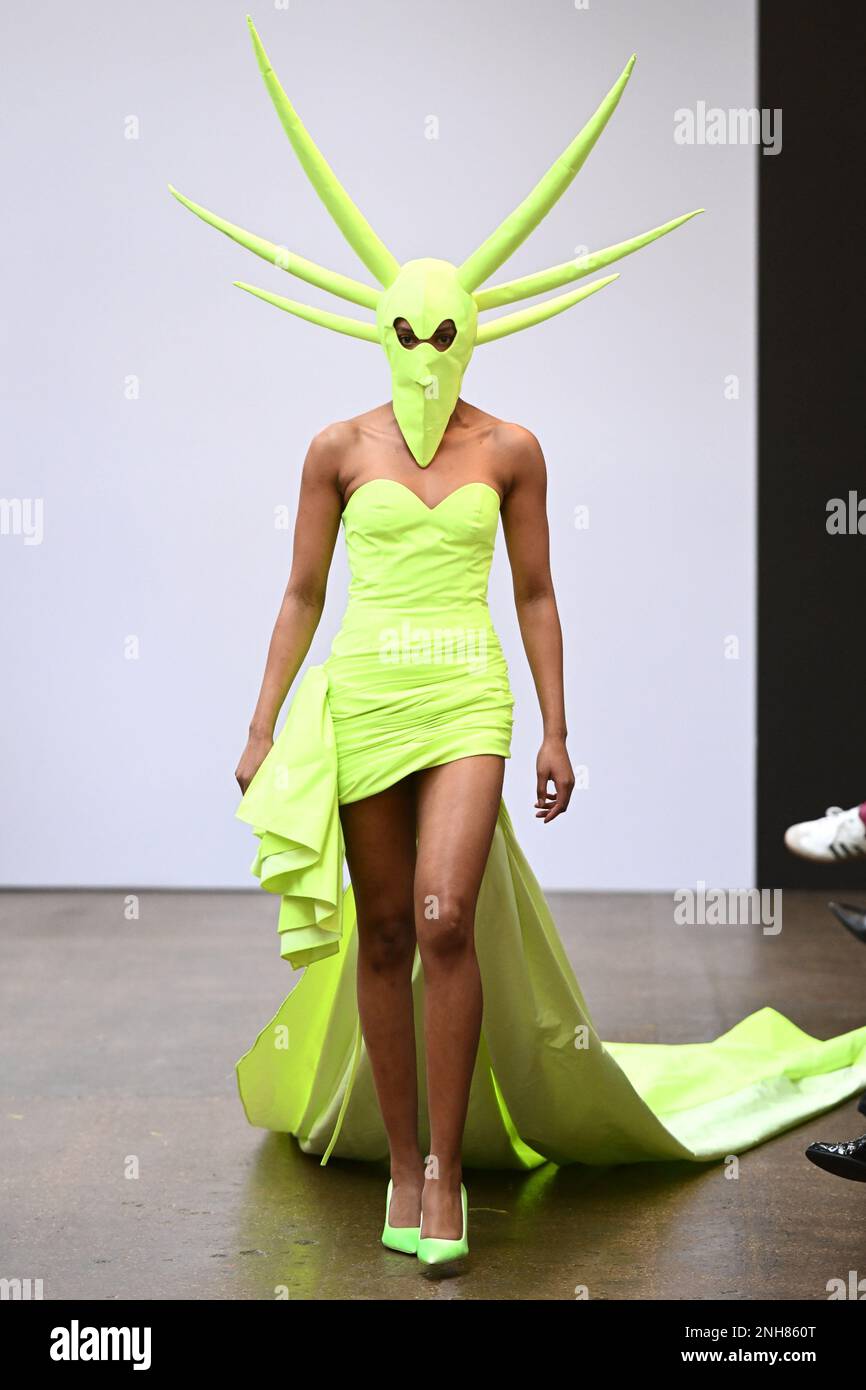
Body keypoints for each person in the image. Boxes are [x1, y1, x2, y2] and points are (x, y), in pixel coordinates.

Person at [170, 18, 866, 1272]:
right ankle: (399, 1154)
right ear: (377, 327)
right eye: (407, 332)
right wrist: (264, 722)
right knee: (382, 928)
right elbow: (298, 593)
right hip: (364, 693)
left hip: (466, 695)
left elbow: (536, 591)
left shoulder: (510, 448)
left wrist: (555, 726)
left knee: (444, 916)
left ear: (473, 330)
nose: (425, 353)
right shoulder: (335, 446)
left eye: (444, 333)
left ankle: (445, 1168)